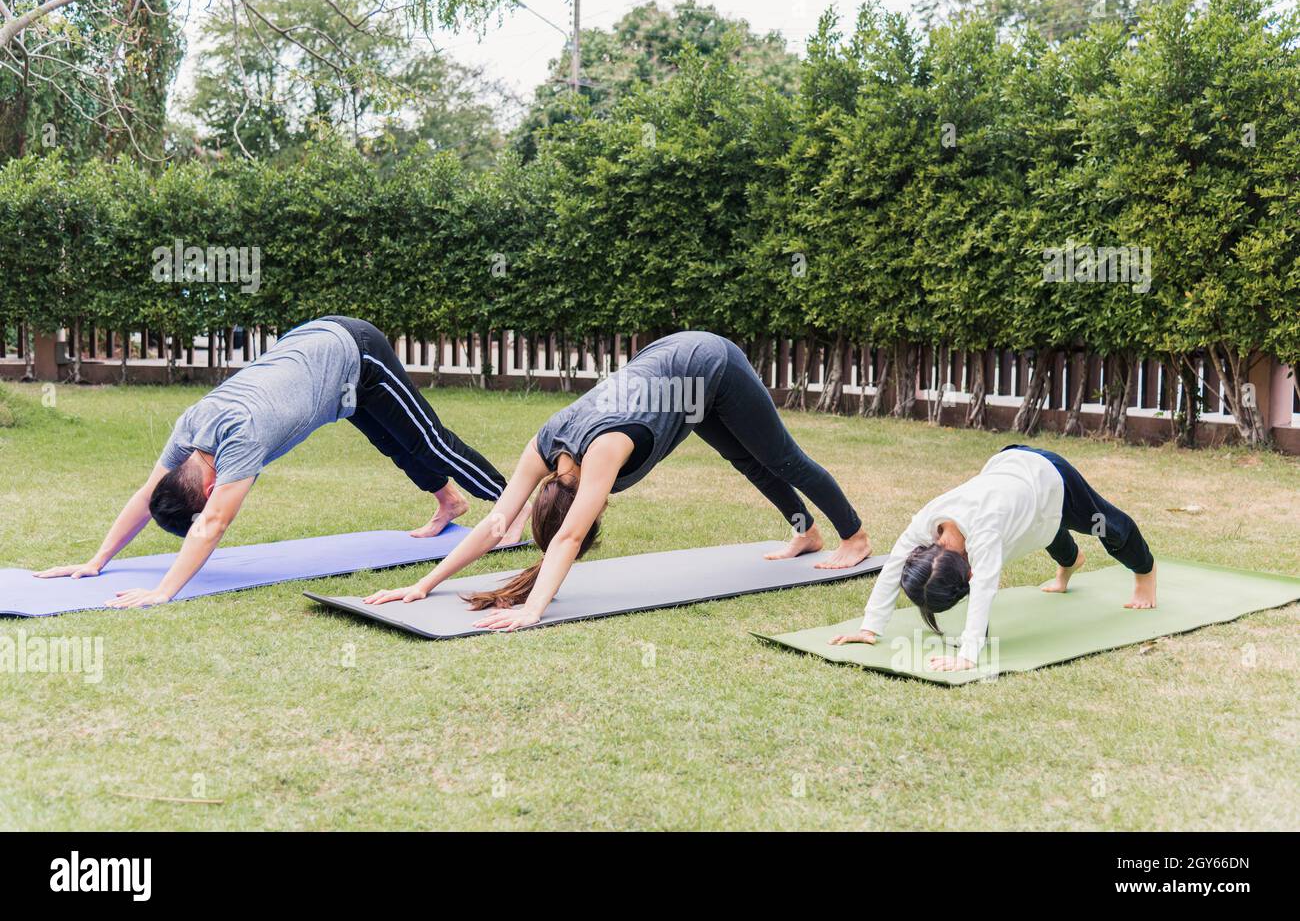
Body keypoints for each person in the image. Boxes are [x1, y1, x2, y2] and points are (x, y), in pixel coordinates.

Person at [363, 330, 873, 628]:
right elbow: (498, 523)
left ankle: (855, 537)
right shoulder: (545, 445)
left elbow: (569, 534)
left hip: (708, 363)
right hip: (669, 373)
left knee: (781, 458)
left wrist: (532, 609)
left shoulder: (603, 450)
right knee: (745, 460)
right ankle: (806, 532)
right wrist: (424, 584)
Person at [35, 316, 524, 607]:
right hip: (323, 370)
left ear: (205, 494)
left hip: (354, 350)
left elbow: (212, 527)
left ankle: (513, 504)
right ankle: (449, 503)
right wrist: (97, 560)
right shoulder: (189, 429)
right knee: (396, 445)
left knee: (430, 441)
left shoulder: (240, 437)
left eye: (204, 508)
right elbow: (148, 495)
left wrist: (164, 591)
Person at [829, 445, 1157, 671]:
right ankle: (1070, 563)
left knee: (1107, 525)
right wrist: (870, 627)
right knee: (1038, 529)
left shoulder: (984, 532)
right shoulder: (926, 526)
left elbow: (985, 588)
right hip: (1009, 474)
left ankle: (1145, 572)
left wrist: (969, 654)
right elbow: (893, 568)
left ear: (967, 574)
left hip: (1049, 474)